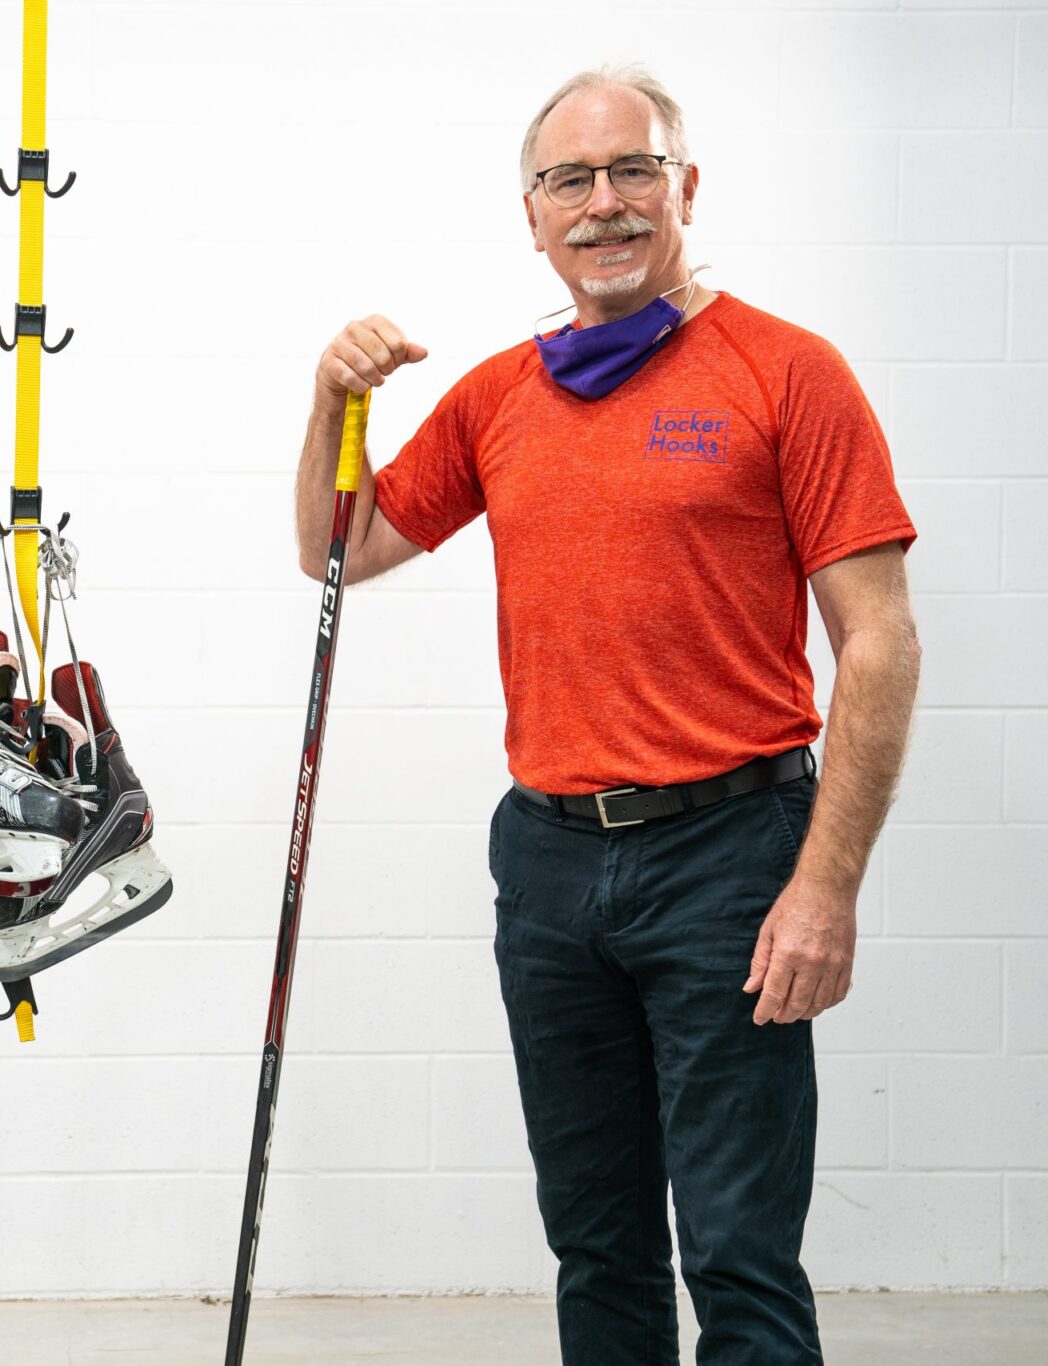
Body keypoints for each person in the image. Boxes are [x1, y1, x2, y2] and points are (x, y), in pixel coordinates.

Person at [294, 68, 921, 1364]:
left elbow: (881, 639)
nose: (606, 203)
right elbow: (338, 547)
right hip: (549, 858)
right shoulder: (498, 397)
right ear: (532, 215)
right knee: (600, 1248)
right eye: (570, 180)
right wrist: (332, 405)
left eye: (634, 169)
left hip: (732, 856)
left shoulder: (787, 373)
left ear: (686, 189)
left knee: (740, 1257)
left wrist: (827, 884)